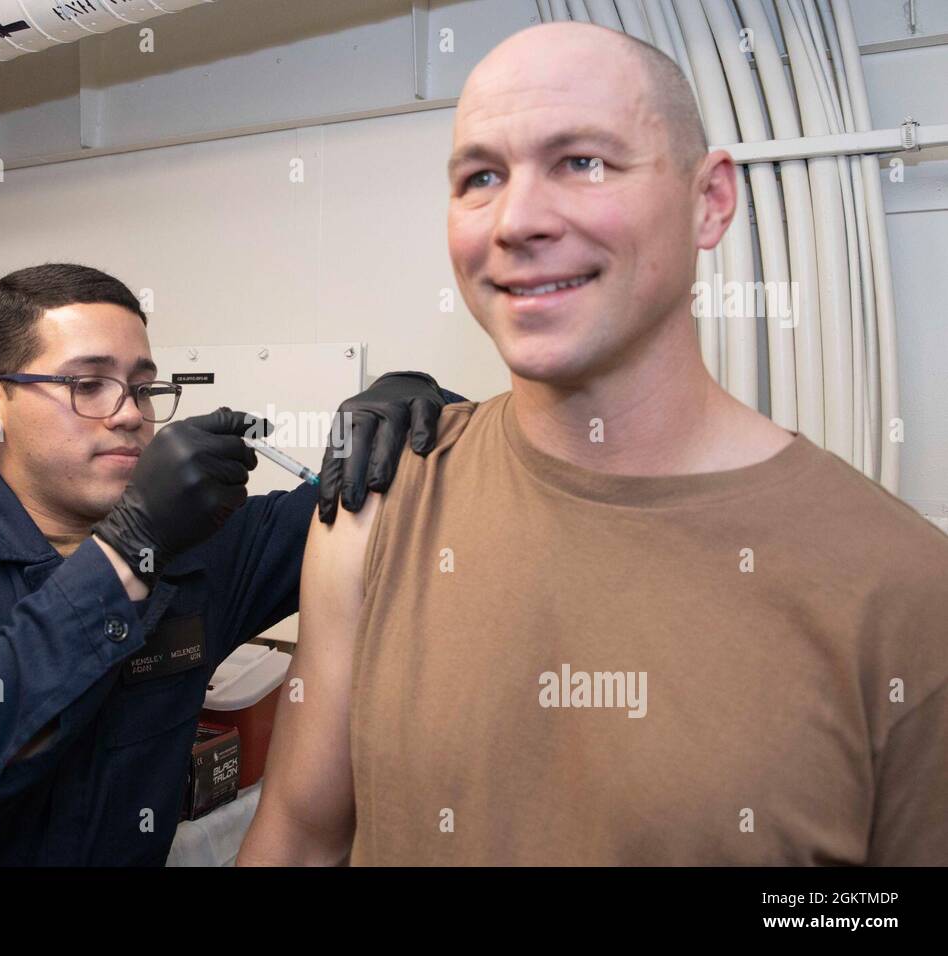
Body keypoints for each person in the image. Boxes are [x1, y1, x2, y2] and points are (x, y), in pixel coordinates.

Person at [239, 22, 948, 866]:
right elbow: (300, 839)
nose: (518, 220)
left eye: (584, 162)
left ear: (709, 201)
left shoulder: (904, 589)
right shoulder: (378, 507)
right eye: (481, 176)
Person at [0, 262, 458, 864]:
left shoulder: (207, 550)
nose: (129, 415)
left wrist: (415, 402)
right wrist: (128, 548)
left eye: (143, 388)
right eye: (88, 385)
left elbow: (383, 505)